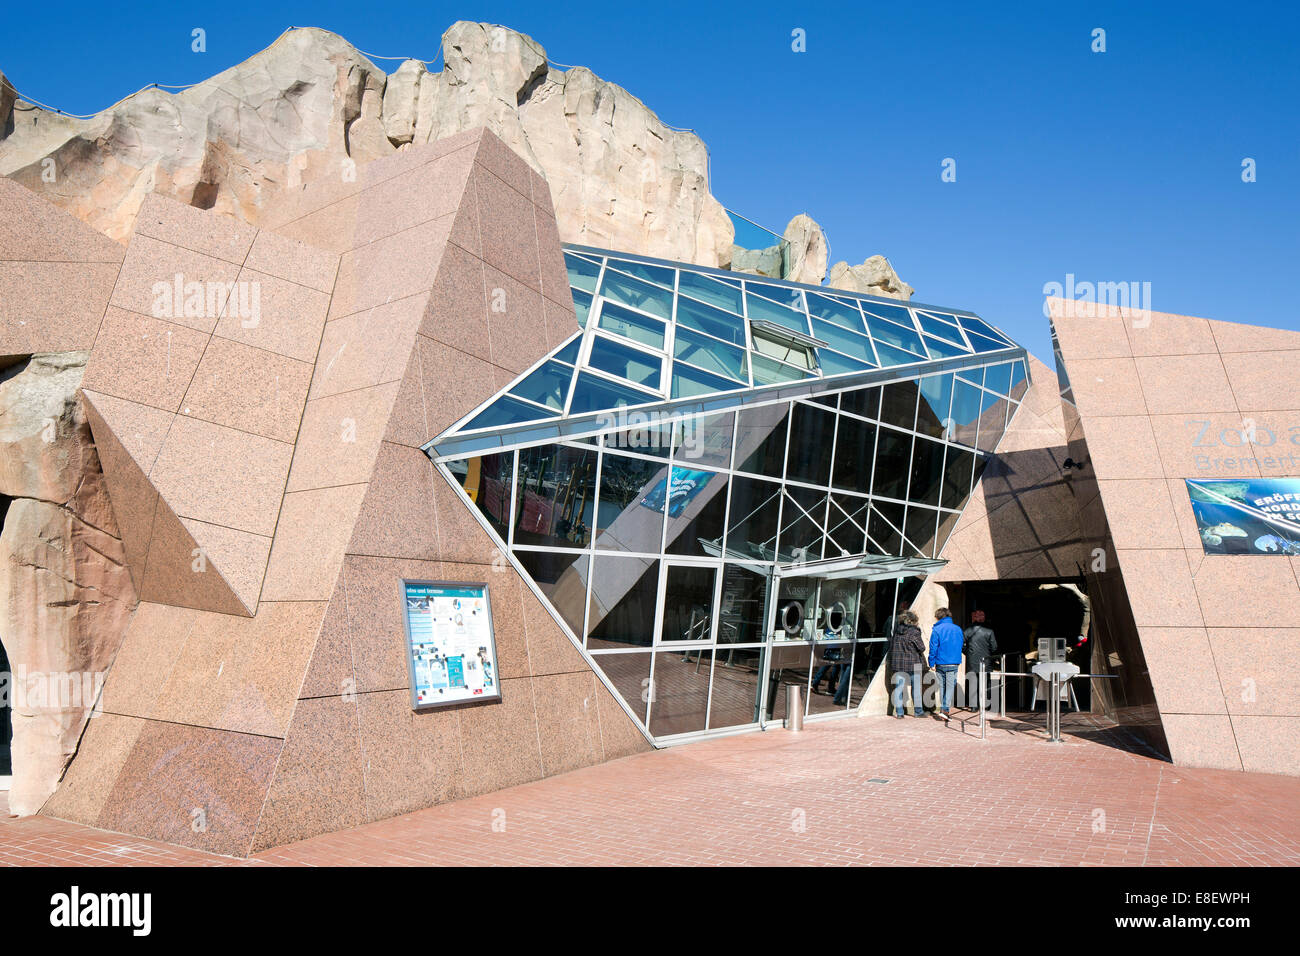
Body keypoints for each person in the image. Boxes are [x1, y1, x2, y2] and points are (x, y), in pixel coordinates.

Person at [888, 610, 926, 718]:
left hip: (898, 664)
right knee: (916, 689)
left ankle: (900, 713)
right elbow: (921, 647)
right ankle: (918, 712)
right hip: (913, 664)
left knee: (899, 689)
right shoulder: (914, 632)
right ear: (912, 621)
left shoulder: (896, 632)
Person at [928, 607, 964, 719]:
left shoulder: (937, 630)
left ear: (938, 617)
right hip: (953, 662)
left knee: (943, 687)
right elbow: (961, 644)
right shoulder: (958, 629)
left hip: (940, 662)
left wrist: (931, 662)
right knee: (949, 687)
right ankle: (945, 709)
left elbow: (933, 648)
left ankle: (943, 709)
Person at [962, 610, 999, 710]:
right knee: (986, 683)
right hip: (986, 661)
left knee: (972, 683)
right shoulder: (989, 631)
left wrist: (969, 653)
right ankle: (986, 704)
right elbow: (994, 647)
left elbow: (962, 646)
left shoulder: (967, 631)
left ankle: (973, 706)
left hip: (972, 662)